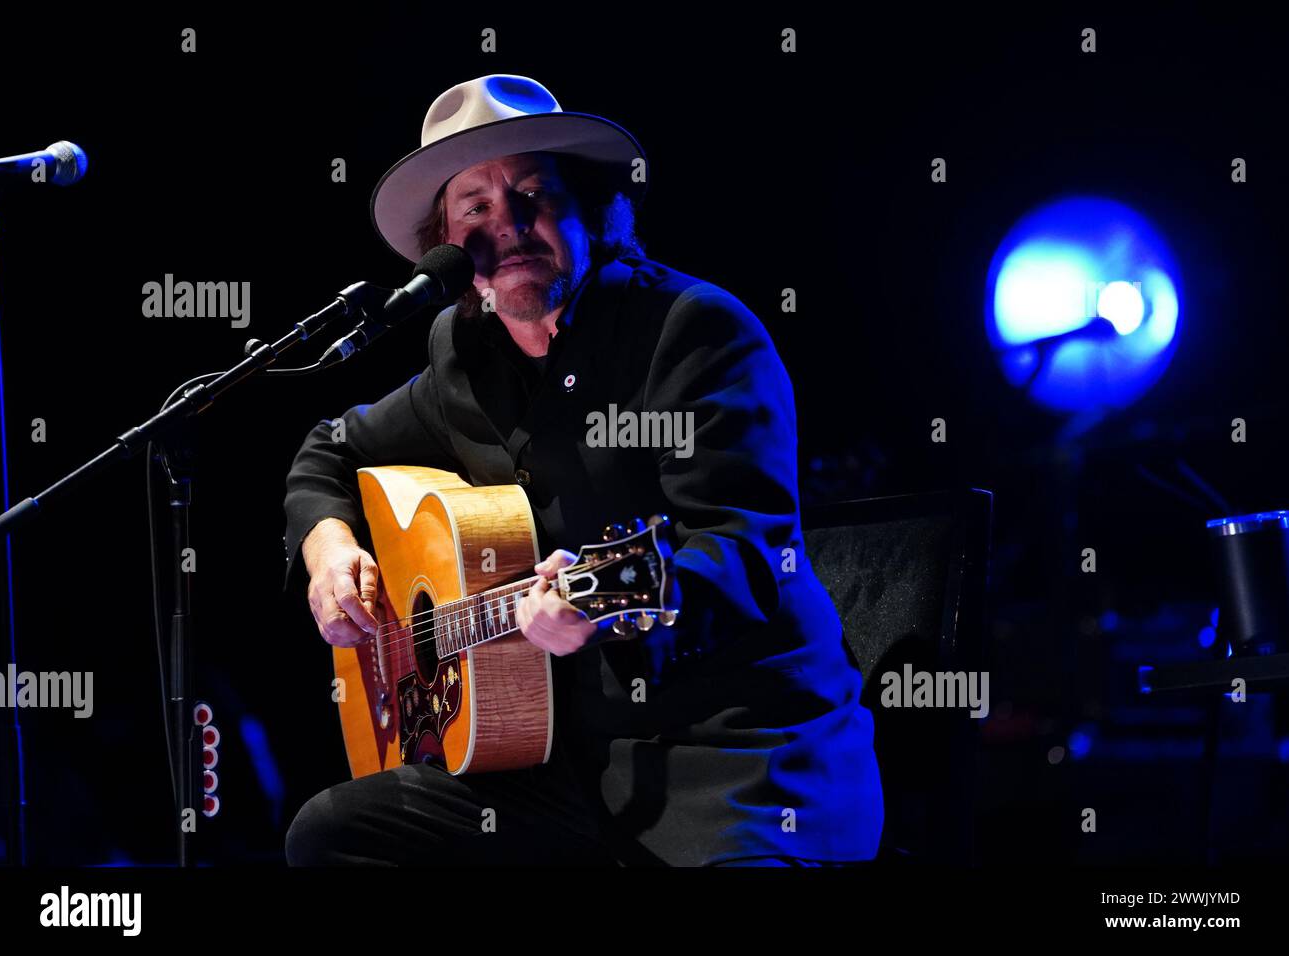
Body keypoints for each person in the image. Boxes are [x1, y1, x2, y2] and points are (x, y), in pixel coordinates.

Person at [282, 74, 883, 866]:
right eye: (477, 210)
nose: (512, 226)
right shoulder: (461, 358)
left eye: (536, 194)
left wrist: (602, 607)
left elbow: (746, 550)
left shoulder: (694, 332)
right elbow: (329, 447)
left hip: (739, 759)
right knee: (332, 834)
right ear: (449, 252)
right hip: (562, 767)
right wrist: (327, 548)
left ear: (596, 212)